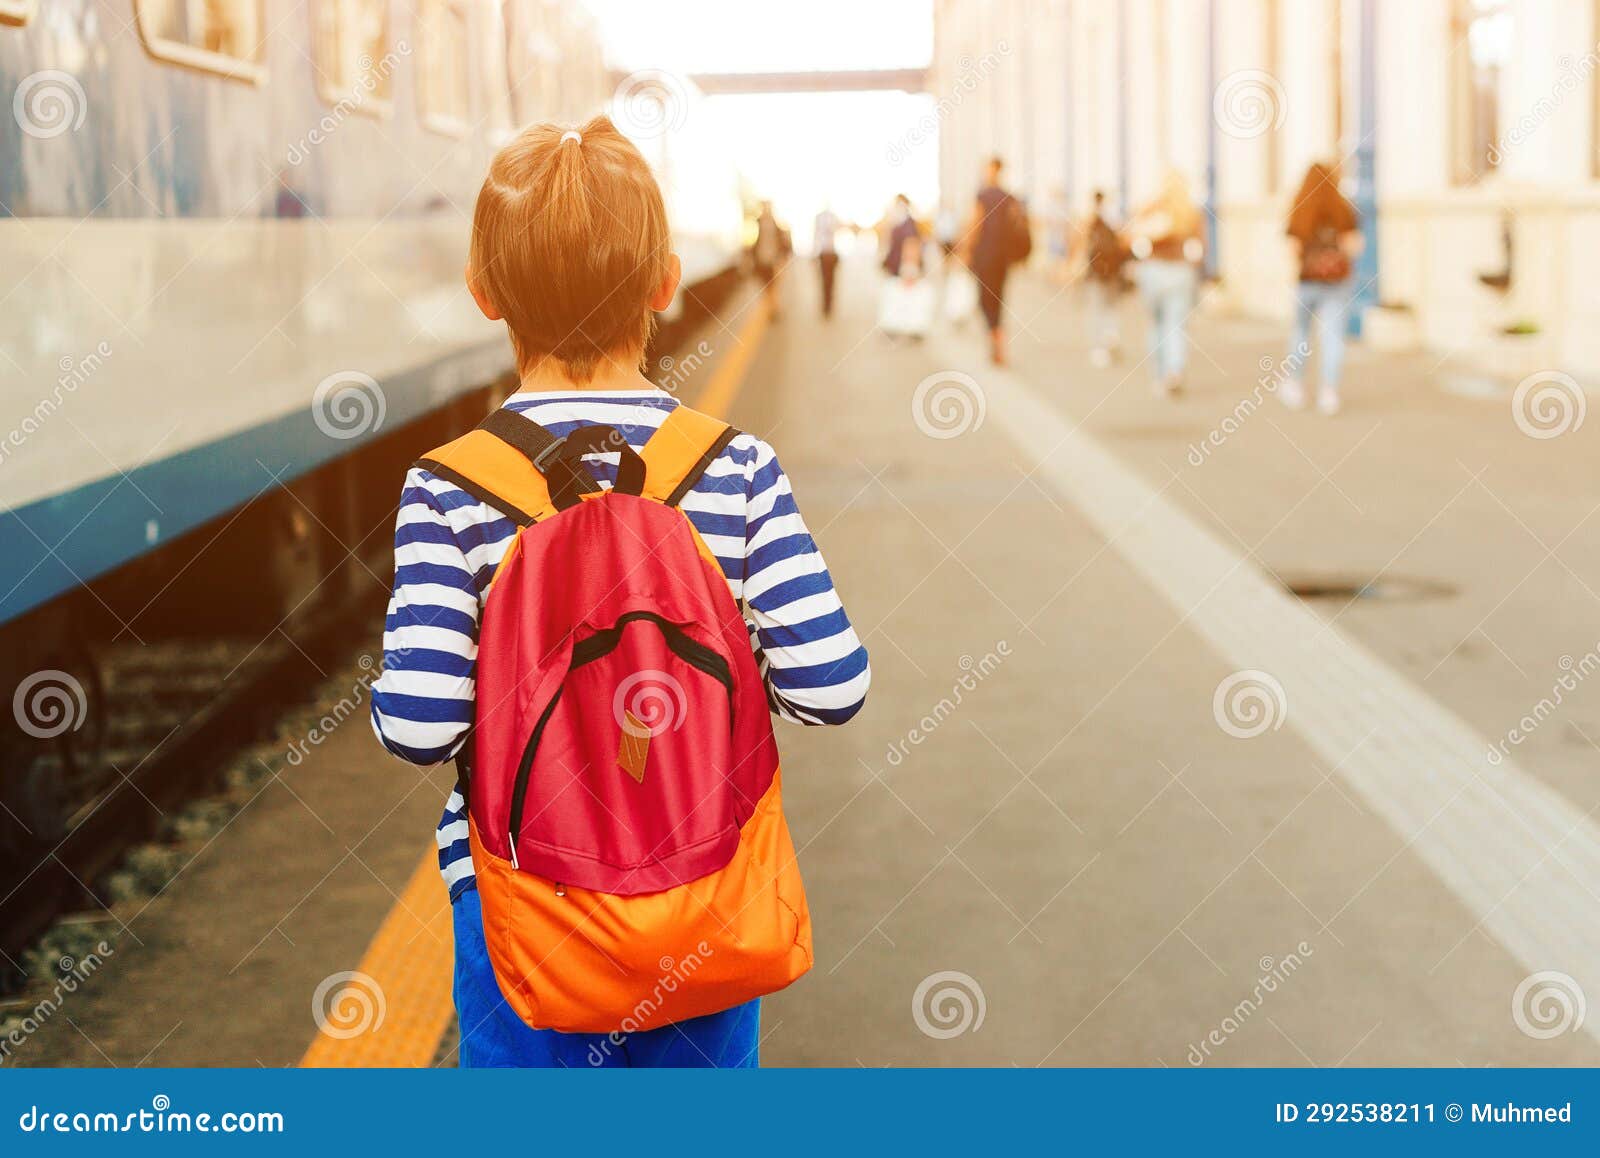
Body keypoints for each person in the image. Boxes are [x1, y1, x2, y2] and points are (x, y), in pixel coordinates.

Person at [370, 117, 870, 1069]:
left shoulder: (449, 484)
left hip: (522, 910)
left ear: (482, 294)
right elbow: (830, 689)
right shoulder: (738, 467)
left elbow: (421, 728)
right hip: (708, 901)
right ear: (666, 283)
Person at [1282, 161, 1362, 415]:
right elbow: (1354, 247)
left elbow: (1292, 248)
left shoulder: (1300, 208)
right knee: (1333, 337)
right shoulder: (1343, 209)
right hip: (1336, 283)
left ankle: (1295, 386)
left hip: (1307, 282)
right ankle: (1329, 393)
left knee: (1301, 333)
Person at [1128, 170, 1204, 396]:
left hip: (1153, 270)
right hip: (1181, 271)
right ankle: (1175, 370)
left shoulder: (1151, 208)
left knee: (1156, 324)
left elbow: (1131, 236)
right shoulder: (1190, 213)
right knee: (1176, 325)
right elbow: (1200, 247)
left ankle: (1159, 375)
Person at [959, 156, 1030, 366]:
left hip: (985, 256)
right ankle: (999, 342)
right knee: (998, 300)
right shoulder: (1010, 197)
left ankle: (994, 340)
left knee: (985, 301)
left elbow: (975, 224)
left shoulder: (982, 195)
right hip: (1003, 258)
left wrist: (965, 252)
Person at [1078, 189, 1128, 367]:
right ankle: (1111, 336)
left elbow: (1081, 242)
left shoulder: (1088, 219)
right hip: (1112, 270)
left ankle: (1099, 347)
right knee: (1111, 305)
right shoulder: (1114, 218)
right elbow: (1123, 242)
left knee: (1096, 307)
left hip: (1095, 271)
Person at [753, 200, 786, 319]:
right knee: (765, 286)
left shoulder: (775, 224)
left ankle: (773, 308)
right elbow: (753, 243)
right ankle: (770, 307)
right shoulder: (757, 222)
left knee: (772, 285)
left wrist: (781, 257)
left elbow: (782, 242)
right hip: (761, 259)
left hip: (773, 259)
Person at [881, 193, 920, 277]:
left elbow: (911, 248)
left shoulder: (909, 225)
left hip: (901, 271)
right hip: (893, 268)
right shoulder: (895, 225)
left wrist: (908, 270)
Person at [813, 204, 841, 318]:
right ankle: (825, 306)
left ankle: (829, 305)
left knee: (831, 281)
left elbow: (838, 234)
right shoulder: (819, 218)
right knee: (825, 281)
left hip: (832, 253)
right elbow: (816, 236)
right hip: (823, 253)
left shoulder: (834, 217)